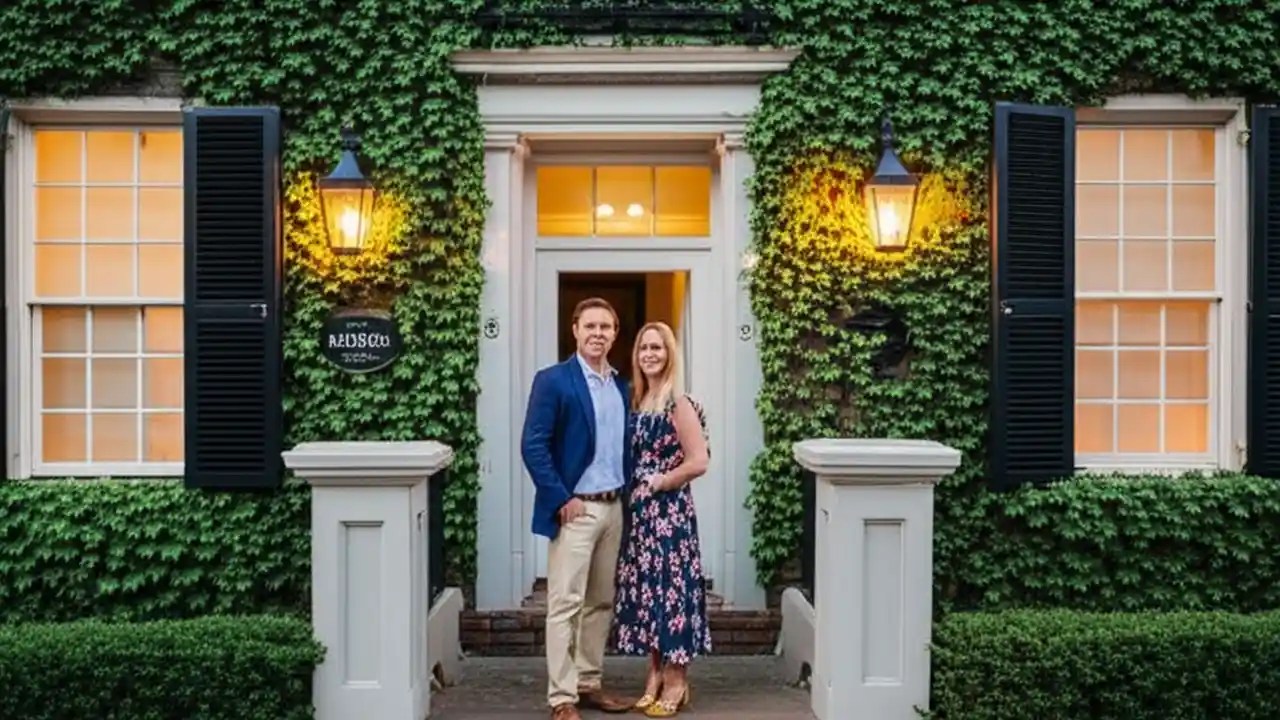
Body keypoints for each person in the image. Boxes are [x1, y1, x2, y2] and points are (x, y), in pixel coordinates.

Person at [520, 297, 635, 720]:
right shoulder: (553, 381)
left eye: (606, 327)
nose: (598, 334)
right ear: (575, 330)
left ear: (615, 333)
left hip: (613, 508)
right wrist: (560, 498)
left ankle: (589, 682)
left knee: (601, 602)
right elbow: (533, 445)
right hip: (576, 509)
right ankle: (561, 697)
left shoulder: (622, 386)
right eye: (590, 326)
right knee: (564, 605)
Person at [611, 321, 711, 718]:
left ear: (670, 354)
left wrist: (662, 481)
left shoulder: (678, 403)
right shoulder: (638, 400)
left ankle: (676, 679)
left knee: (672, 594)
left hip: (670, 516)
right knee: (649, 595)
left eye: (657, 348)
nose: (650, 354)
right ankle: (653, 672)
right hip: (640, 520)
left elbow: (700, 461)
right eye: (643, 348)